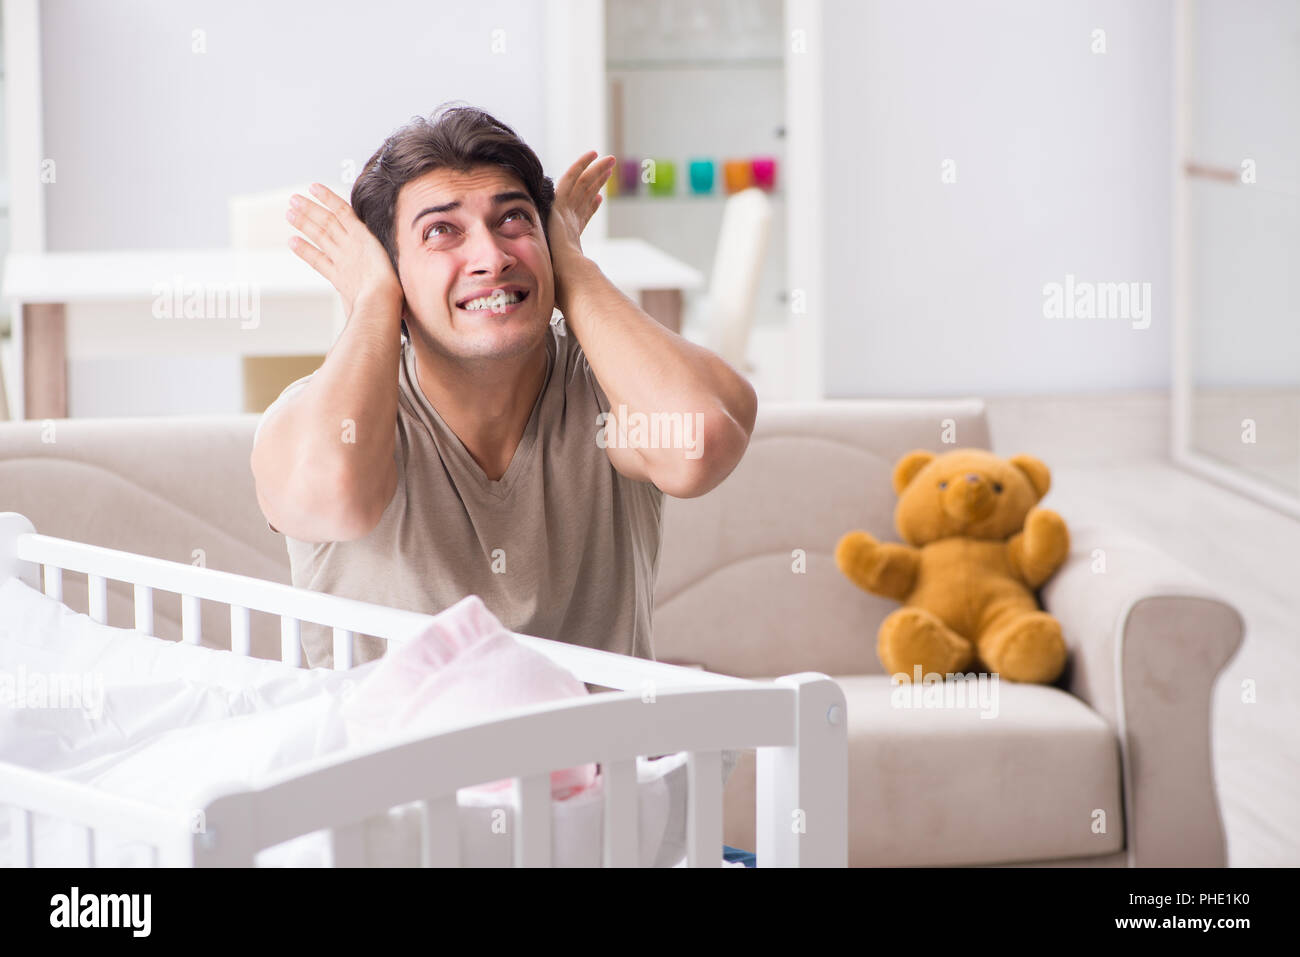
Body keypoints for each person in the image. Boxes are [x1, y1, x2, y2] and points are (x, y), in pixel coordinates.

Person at [250, 103, 757, 671]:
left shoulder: (607, 397)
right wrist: (372, 299)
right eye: (441, 231)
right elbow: (336, 494)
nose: (491, 257)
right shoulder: (312, 419)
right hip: (396, 759)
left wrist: (574, 269)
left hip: (592, 756)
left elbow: (701, 442)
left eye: (514, 221)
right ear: (393, 273)